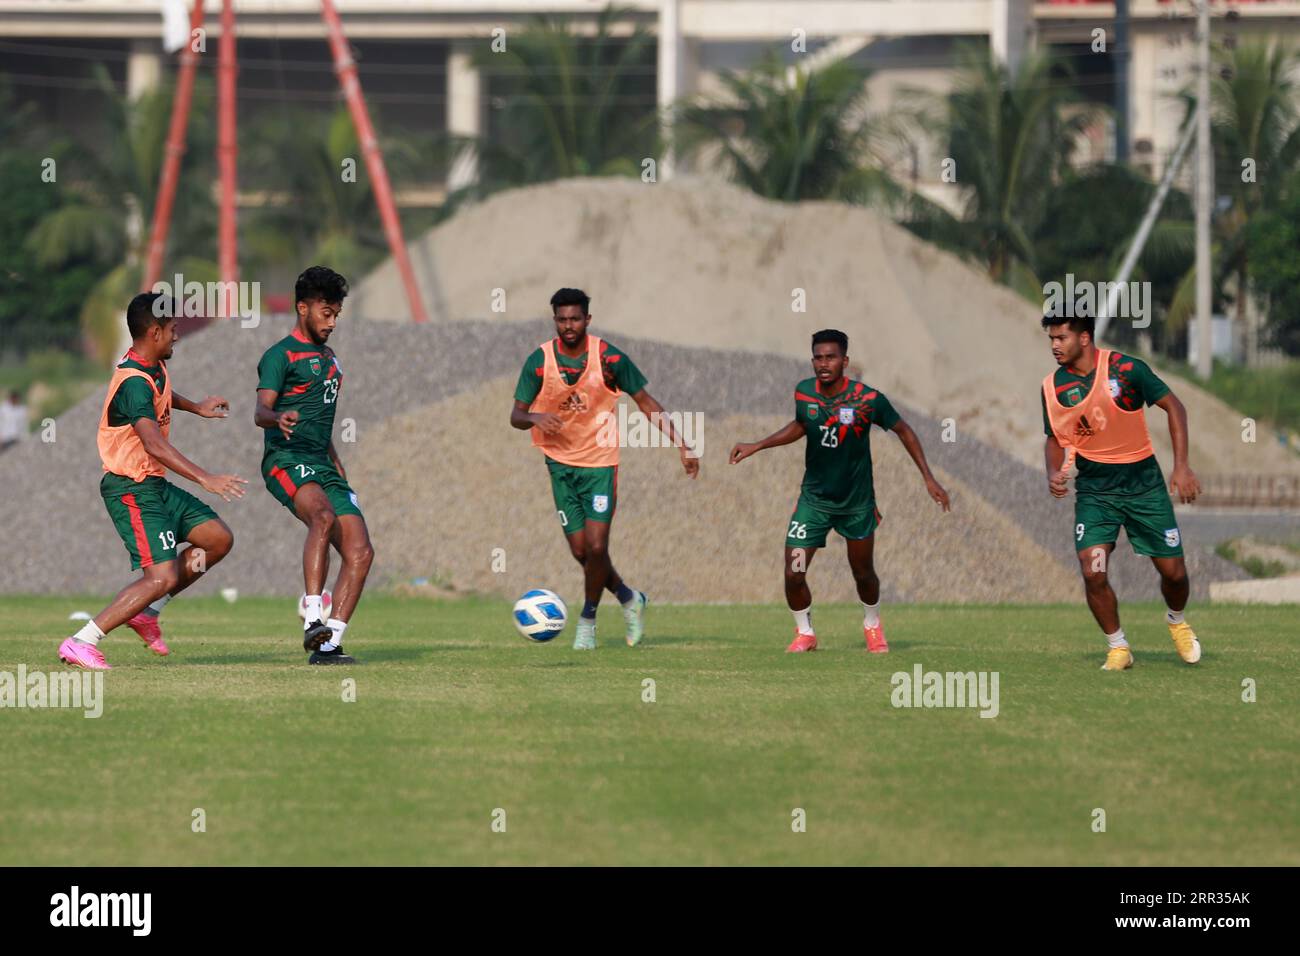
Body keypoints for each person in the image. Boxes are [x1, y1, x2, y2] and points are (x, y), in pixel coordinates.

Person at [730, 329, 950, 653]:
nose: (823, 363)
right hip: (814, 501)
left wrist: (928, 477)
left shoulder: (868, 399)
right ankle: (805, 632)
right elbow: (802, 425)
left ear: (845, 361)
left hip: (856, 502)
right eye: (818, 357)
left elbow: (903, 429)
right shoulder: (804, 393)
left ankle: (872, 625)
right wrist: (758, 444)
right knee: (794, 571)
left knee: (863, 573)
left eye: (831, 357)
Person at [58, 293, 245, 670]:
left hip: (153, 485)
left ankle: (147, 613)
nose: (177, 335)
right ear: (154, 331)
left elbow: (160, 393)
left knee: (217, 540)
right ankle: (82, 640)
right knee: (159, 576)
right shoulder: (133, 382)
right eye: (173, 329)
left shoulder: (151, 367)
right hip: (130, 488)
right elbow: (153, 444)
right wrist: (204, 477)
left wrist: (196, 407)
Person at [510, 287, 699, 649]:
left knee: (597, 547)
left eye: (575, 318)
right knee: (581, 552)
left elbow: (646, 402)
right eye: (562, 319)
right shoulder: (539, 362)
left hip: (600, 464)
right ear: (555, 320)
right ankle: (629, 598)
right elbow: (516, 415)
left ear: (588, 320)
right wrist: (534, 416)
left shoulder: (609, 359)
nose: (569, 325)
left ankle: (587, 620)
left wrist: (683, 442)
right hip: (561, 467)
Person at [1041, 312, 1202, 671]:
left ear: (1084, 338)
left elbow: (1174, 406)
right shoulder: (1052, 388)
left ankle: (1176, 621)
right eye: (1051, 338)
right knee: (1092, 570)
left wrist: (1182, 465)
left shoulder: (1127, 370)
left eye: (1061, 338)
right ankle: (1118, 647)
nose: (1054, 345)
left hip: (1144, 487)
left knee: (1174, 573)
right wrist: (1053, 471)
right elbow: (1054, 437)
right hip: (1096, 494)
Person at [255, 266, 373, 665]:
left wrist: (339, 469)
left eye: (337, 314)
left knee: (361, 552)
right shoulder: (279, 355)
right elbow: (259, 411)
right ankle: (313, 617)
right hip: (284, 460)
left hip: (323, 464)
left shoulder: (330, 360)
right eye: (326, 313)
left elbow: (324, 425)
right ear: (302, 308)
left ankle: (327, 644)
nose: (333, 322)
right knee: (321, 518)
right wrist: (278, 418)